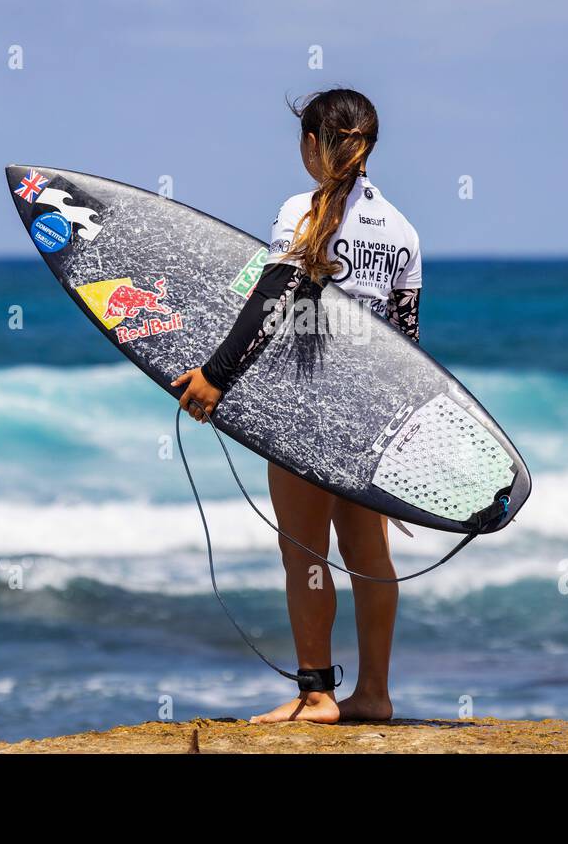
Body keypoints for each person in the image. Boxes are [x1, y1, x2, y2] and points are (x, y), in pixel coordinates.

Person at [171, 88, 422, 723]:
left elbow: (275, 295)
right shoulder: (403, 231)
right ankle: (376, 694)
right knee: (371, 559)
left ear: (314, 144)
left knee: (304, 554)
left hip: (307, 414)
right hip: (370, 419)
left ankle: (317, 695)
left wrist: (216, 376)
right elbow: (407, 349)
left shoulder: (303, 211)